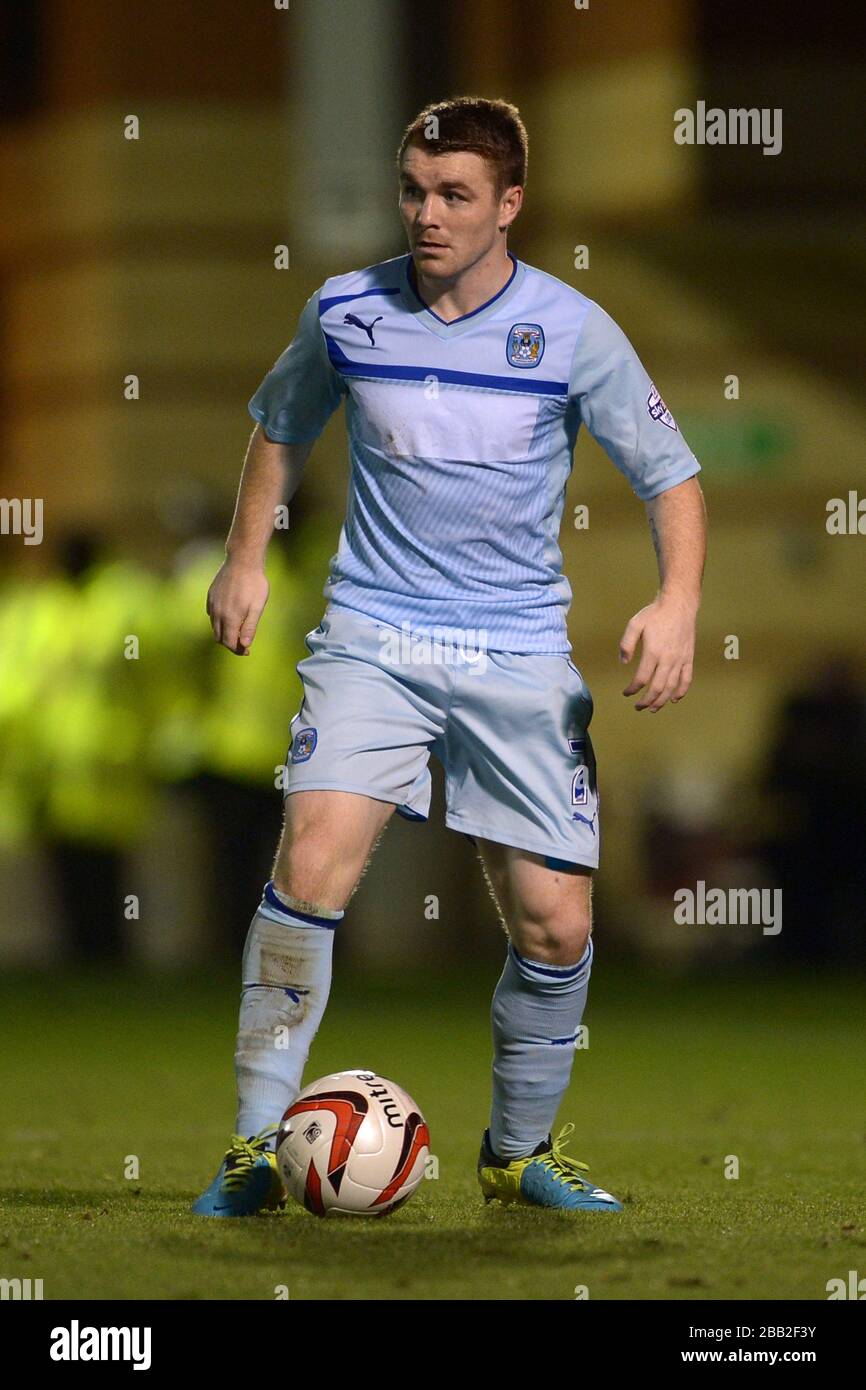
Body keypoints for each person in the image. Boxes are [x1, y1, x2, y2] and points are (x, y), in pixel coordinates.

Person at [192, 96, 706, 1217]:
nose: (427, 214)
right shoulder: (345, 309)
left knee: (554, 922)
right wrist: (245, 560)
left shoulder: (571, 329)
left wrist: (676, 605)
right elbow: (280, 424)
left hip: (515, 645)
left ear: (509, 203)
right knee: (311, 859)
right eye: (414, 191)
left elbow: (671, 474)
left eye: (455, 195)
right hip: (372, 632)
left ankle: (516, 1154)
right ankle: (246, 1148)